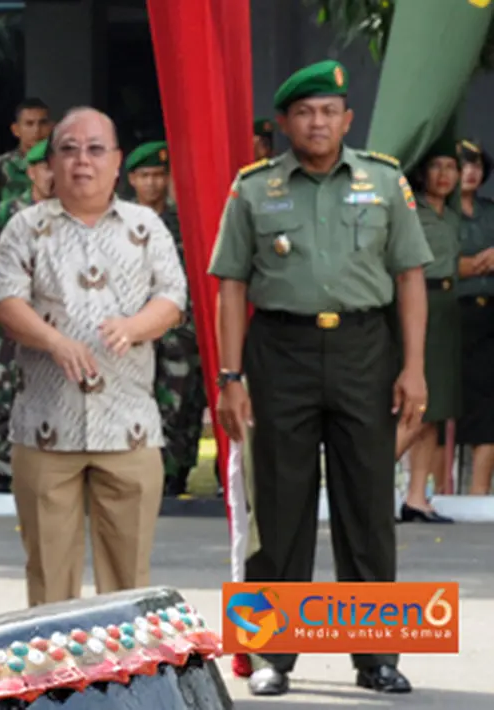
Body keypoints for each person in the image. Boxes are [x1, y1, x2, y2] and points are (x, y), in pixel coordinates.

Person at [209, 59, 429, 696]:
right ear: (284, 123)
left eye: (329, 111)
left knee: (367, 506)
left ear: (347, 119)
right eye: (304, 112)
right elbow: (232, 287)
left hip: (366, 347)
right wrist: (230, 375)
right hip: (281, 349)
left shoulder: (386, 184)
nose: (317, 122)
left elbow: (411, 277)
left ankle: (377, 657)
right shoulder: (254, 189)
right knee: (278, 505)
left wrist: (413, 368)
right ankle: (272, 655)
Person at [0, 108, 186, 606]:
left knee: (128, 587)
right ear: (50, 163)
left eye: (96, 149)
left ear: (117, 162)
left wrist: (133, 326)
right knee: (49, 583)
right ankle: (54, 683)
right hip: (45, 426)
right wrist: (54, 341)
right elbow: (6, 304)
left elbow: (173, 298)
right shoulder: (24, 227)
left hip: (129, 428)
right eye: (69, 149)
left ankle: (125, 682)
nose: (83, 160)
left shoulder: (146, 226)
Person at [126, 140, 206, 497]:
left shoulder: (185, 222)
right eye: (145, 176)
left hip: (179, 332)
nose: (153, 184)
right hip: (133, 330)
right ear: (131, 180)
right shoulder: (120, 220)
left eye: (159, 175)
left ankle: (176, 471)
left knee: (180, 403)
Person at [0, 138, 52, 493]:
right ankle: (1, 467)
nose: (53, 175)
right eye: (45, 168)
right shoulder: (3, 215)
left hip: (58, 323)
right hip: (12, 319)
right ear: (32, 171)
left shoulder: (74, 213)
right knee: (6, 394)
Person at [397, 137, 462, 523]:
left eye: (450, 168)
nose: (444, 176)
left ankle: (417, 497)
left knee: (436, 409)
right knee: (415, 407)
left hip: (449, 306)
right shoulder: (411, 212)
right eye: (436, 167)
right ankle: (362, 485)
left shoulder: (451, 217)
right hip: (422, 303)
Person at [455, 140, 494, 495]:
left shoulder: (490, 211)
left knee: (488, 404)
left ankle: (479, 494)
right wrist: (473, 265)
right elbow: (444, 266)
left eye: (477, 165)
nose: (471, 172)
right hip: (453, 315)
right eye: (464, 165)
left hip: (489, 314)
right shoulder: (440, 214)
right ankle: (439, 490)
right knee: (445, 408)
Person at [0, 98, 53, 212]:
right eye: (29, 124)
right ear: (16, 129)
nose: (37, 130)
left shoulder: (61, 164)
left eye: (43, 123)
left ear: (52, 127)